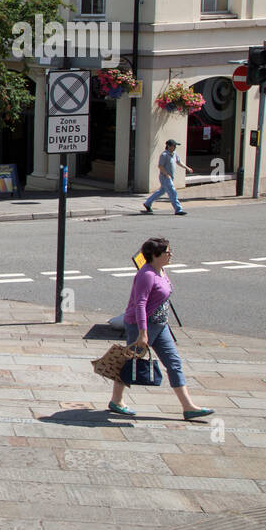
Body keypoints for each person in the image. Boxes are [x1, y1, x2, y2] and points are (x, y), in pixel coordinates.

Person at [108, 237, 214, 420]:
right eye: (167, 252)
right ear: (155, 255)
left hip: (160, 325)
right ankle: (116, 401)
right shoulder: (146, 274)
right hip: (140, 325)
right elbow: (140, 304)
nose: (170, 254)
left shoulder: (161, 270)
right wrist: (142, 333)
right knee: (130, 363)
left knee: (174, 363)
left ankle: (188, 407)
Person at [142, 140, 192, 215]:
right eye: (173, 146)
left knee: (161, 191)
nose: (175, 147)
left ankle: (147, 203)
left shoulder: (174, 154)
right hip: (165, 177)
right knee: (172, 192)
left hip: (170, 177)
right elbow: (160, 166)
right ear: (168, 146)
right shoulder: (164, 155)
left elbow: (178, 162)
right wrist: (166, 174)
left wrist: (187, 168)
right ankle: (178, 209)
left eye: (175, 146)